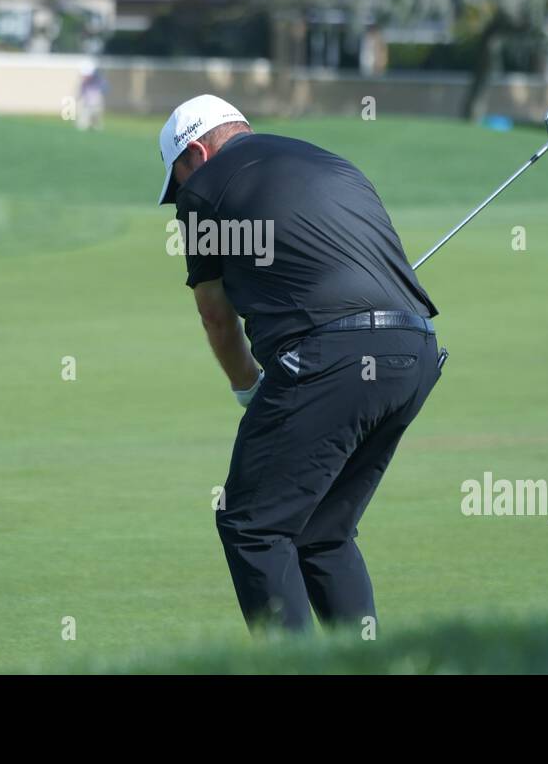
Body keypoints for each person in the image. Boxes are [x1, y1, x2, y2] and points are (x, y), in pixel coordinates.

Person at [156, 94, 445, 633]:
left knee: (253, 527)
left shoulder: (201, 191)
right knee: (323, 531)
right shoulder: (331, 161)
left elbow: (215, 317)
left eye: (178, 177)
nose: (180, 193)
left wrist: (248, 388)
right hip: (415, 352)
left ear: (195, 151)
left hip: (329, 359)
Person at [75, 61, 107, 132]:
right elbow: (81, 92)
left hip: (97, 104)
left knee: (96, 122)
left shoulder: (98, 80)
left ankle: (97, 131)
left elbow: (105, 88)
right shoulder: (84, 83)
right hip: (87, 105)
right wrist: (77, 98)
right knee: (82, 123)